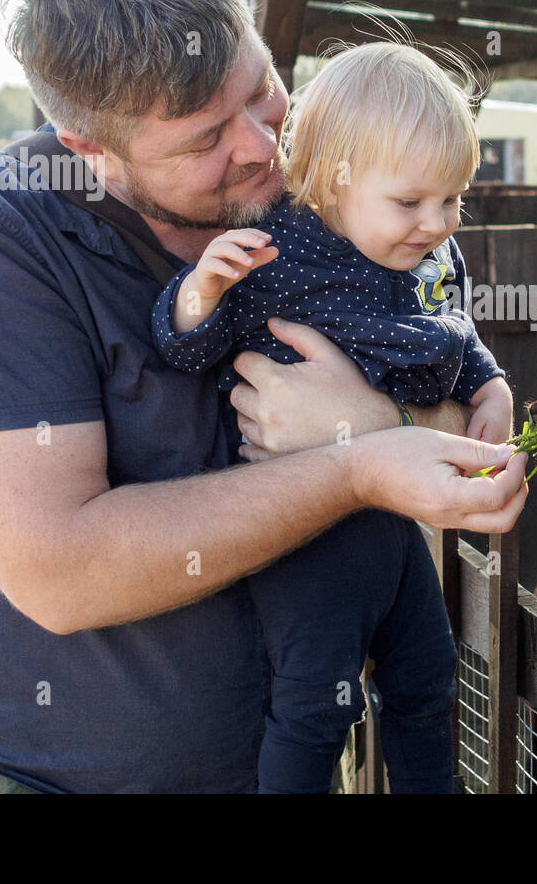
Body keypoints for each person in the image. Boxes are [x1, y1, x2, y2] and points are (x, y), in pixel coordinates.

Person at [0, 0, 527, 794]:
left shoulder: (331, 194)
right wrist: (356, 465)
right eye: (203, 139)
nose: (258, 145)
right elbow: (65, 569)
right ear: (89, 149)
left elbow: (445, 371)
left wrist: (379, 419)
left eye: (262, 88)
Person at [151, 40, 515, 792]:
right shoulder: (277, 253)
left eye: (453, 199)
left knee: (429, 677)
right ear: (333, 177)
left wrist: (491, 386)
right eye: (410, 202)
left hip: (392, 519)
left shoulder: (427, 257)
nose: (437, 222)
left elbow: (456, 332)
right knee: (316, 702)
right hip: (305, 526)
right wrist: (198, 295)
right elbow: (191, 351)